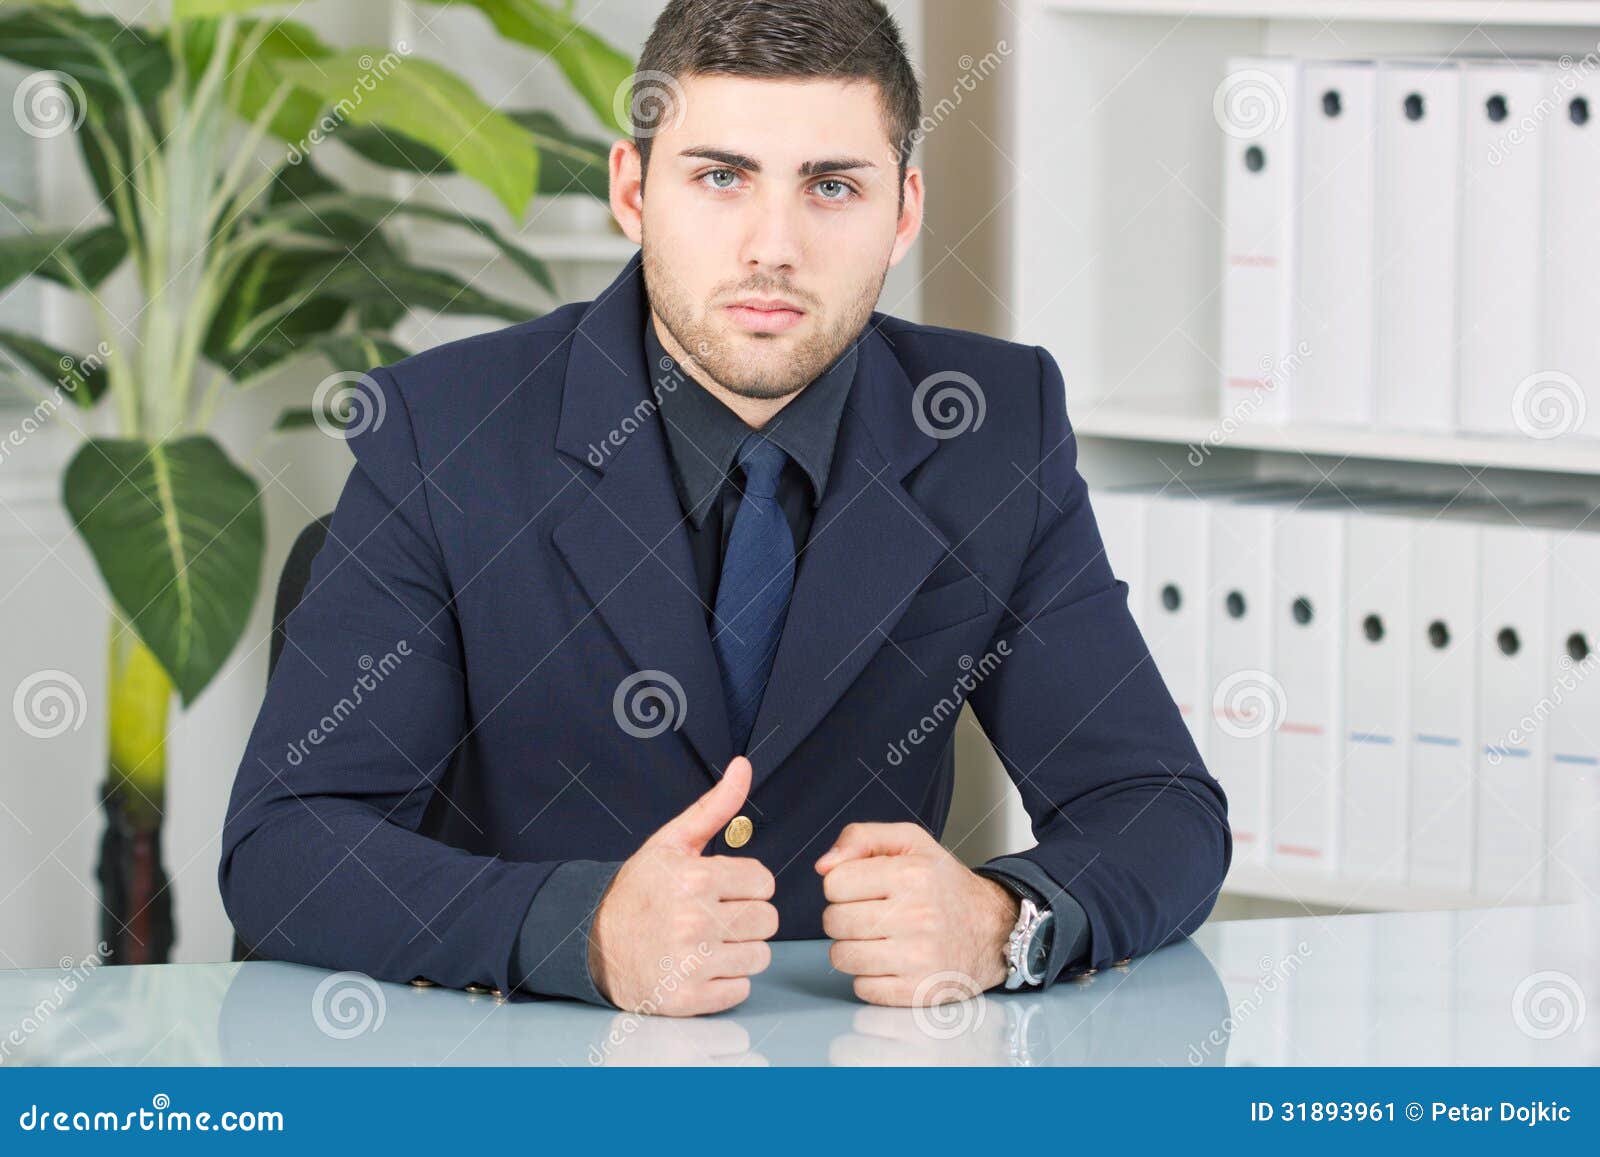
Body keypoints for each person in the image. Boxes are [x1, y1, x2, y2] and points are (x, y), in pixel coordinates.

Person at [219, 0, 1230, 1017]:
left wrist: (1002, 919)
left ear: (904, 209)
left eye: (832, 186)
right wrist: (583, 927)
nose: (773, 247)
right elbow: (287, 845)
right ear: (632, 189)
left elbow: (1158, 808)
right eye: (719, 177)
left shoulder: (992, 428)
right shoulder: (445, 430)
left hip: (854, 1076)